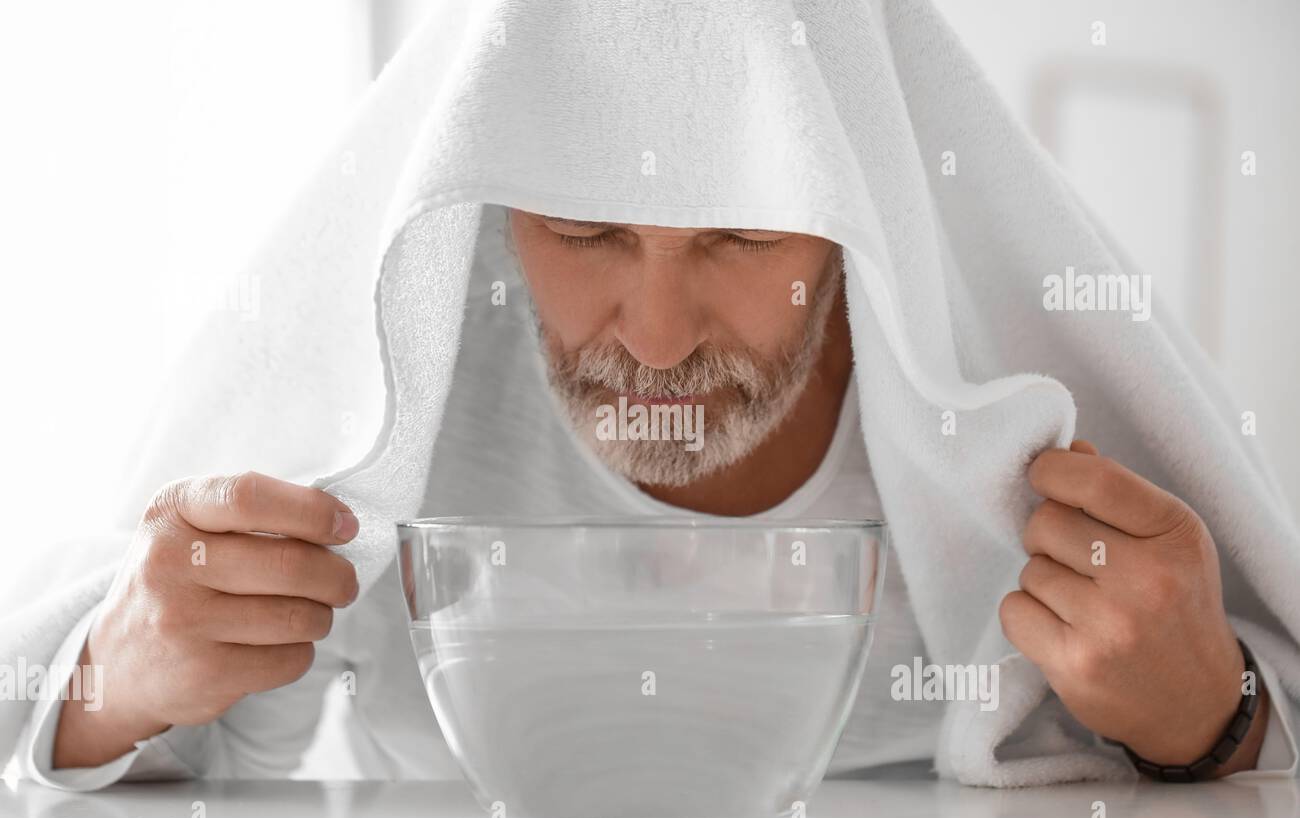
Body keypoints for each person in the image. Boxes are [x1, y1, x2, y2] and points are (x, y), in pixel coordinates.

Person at [22, 206, 1296, 788]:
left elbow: (1259, 707)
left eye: (742, 239)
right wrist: (111, 679)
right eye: (583, 236)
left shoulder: (1006, 387)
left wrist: (1214, 713)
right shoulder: (383, 364)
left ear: (854, 211)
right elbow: (75, 726)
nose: (660, 336)